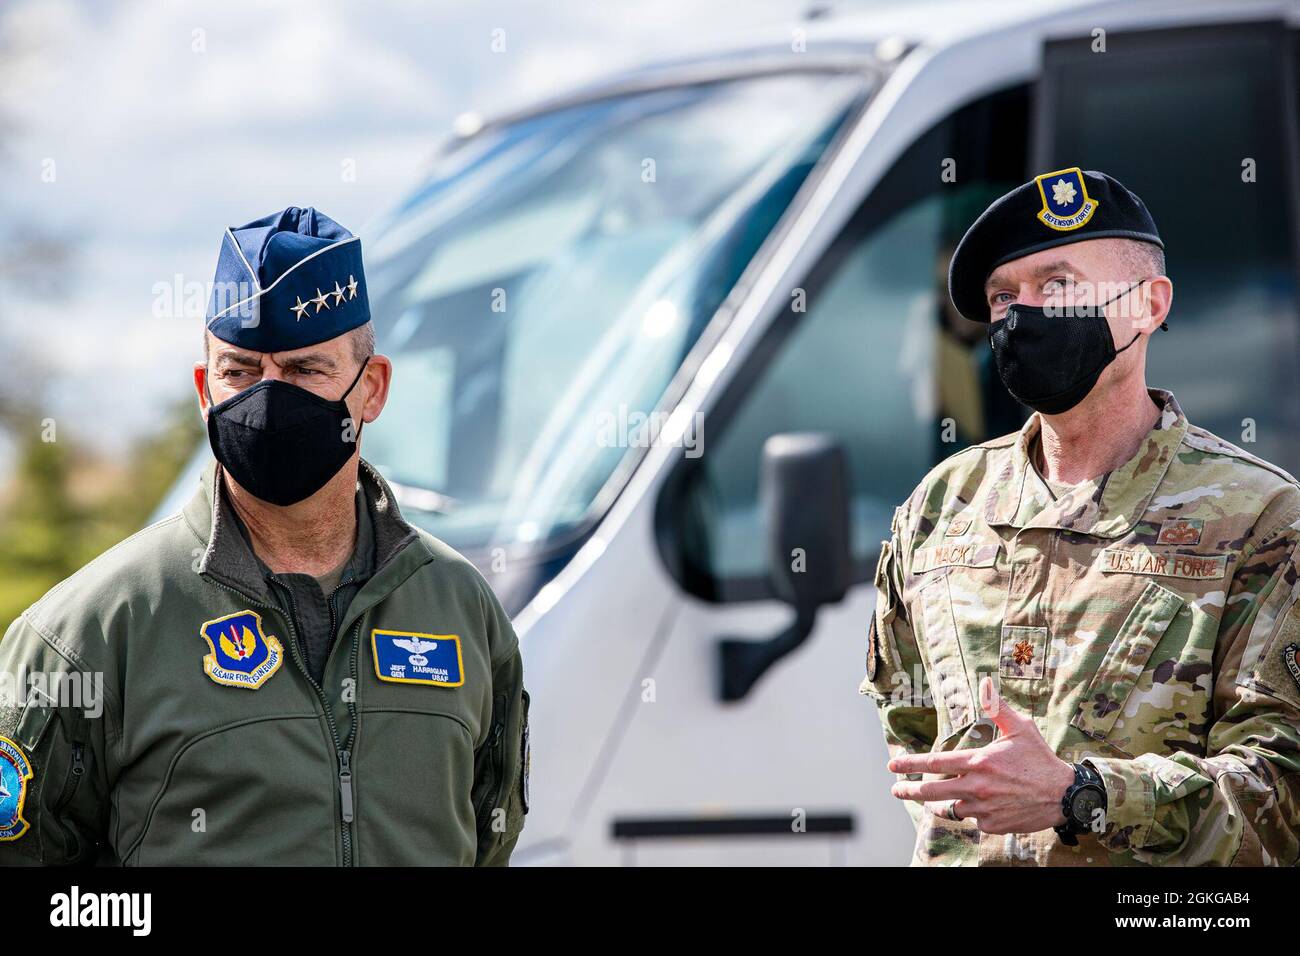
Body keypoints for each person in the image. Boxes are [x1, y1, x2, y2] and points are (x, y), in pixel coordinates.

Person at [0, 206, 528, 865]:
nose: (269, 399)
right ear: (203, 389)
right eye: (241, 372)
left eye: (307, 371)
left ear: (374, 389)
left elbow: (489, 839)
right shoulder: (91, 631)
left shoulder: (461, 608)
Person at [860, 168, 1300, 865]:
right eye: (1004, 297)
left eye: (1057, 286)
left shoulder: (1262, 518)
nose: (1022, 314)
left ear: (1150, 304)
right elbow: (912, 728)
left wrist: (1082, 794)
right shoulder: (940, 508)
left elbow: (1282, 800)